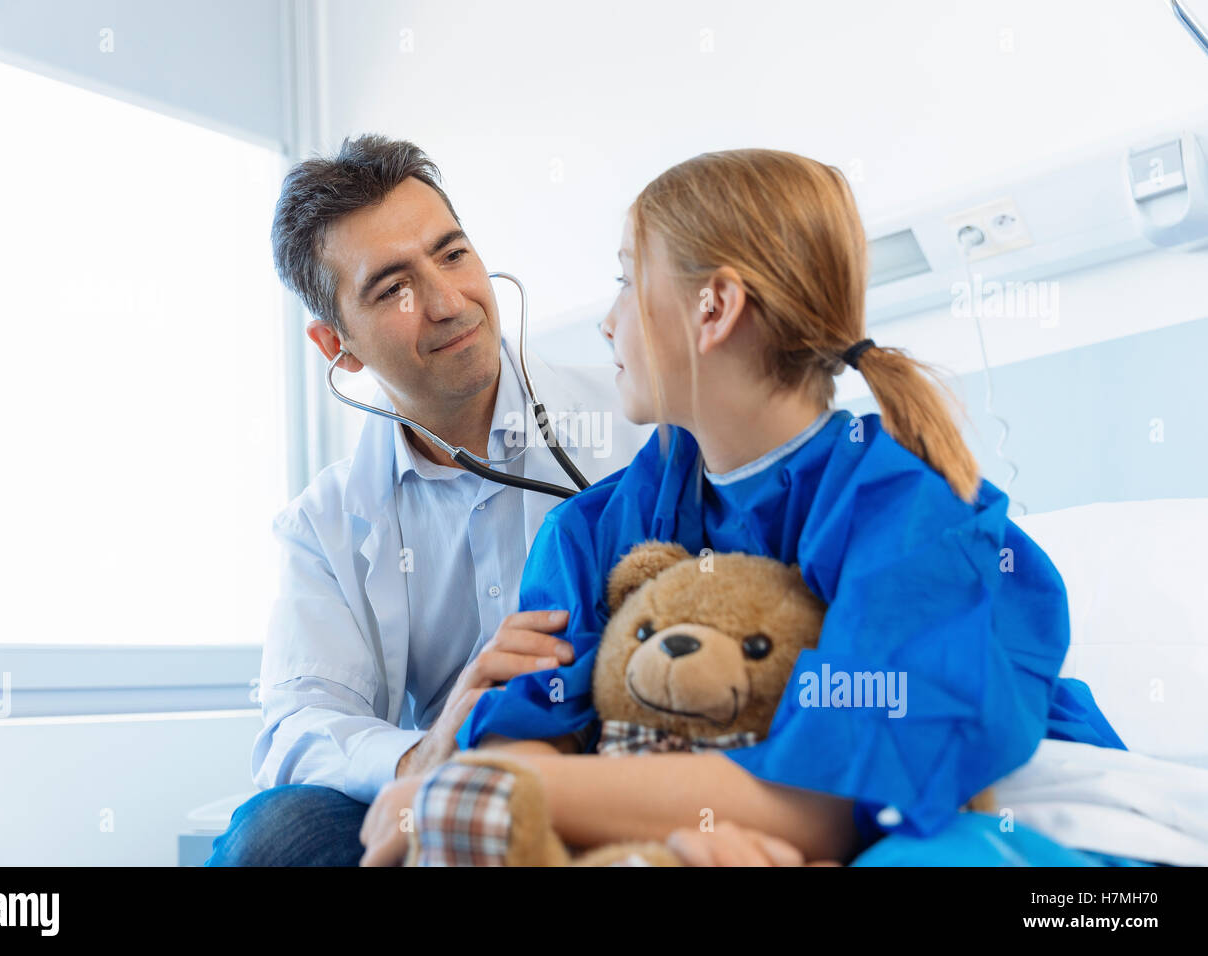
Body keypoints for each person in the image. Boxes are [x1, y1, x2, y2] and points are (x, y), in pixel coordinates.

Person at [357, 148, 1131, 867]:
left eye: (628, 279)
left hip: (998, 824)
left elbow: (829, 802)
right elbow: (531, 742)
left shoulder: (915, 519)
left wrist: (448, 794)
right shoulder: (592, 534)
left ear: (715, 307)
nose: (607, 319)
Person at [205, 134, 650, 866]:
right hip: (446, 791)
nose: (447, 303)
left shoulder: (639, 422)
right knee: (274, 835)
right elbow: (297, 722)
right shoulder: (323, 524)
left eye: (451, 254)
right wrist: (428, 757)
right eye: (393, 289)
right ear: (336, 346)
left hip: (616, 769)